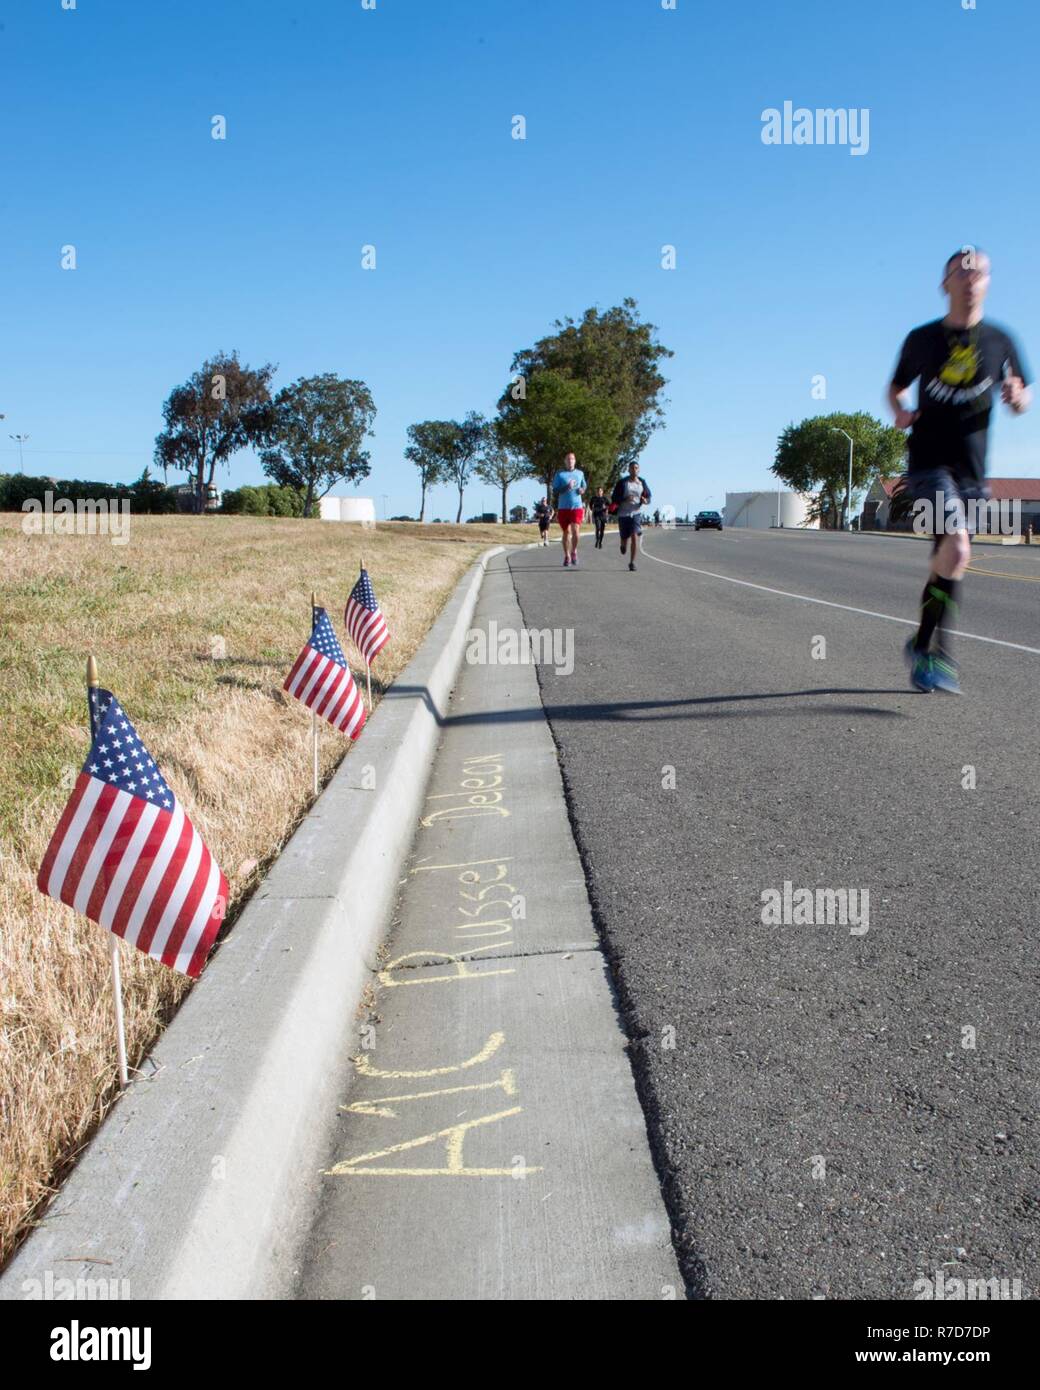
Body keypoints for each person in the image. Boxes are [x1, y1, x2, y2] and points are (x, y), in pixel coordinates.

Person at [888, 247, 1031, 693]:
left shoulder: (1001, 341)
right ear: (945, 283)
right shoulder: (921, 339)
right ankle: (940, 658)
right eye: (961, 271)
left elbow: (1023, 397)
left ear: (987, 282)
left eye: (979, 272)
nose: (970, 278)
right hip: (928, 464)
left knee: (947, 563)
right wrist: (900, 410)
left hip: (972, 473)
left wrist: (1016, 397)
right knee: (960, 549)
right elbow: (895, 388)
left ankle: (921, 644)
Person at [611, 461, 652, 572]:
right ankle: (623, 545)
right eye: (632, 468)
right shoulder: (623, 483)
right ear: (628, 470)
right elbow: (614, 498)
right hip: (623, 514)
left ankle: (632, 562)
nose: (634, 470)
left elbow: (649, 497)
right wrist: (624, 499)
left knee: (634, 536)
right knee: (624, 538)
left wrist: (645, 500)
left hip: (636, 513)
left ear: (638, 470)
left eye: (636, 468)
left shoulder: (642, 483)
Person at [551, 451, 587, 568]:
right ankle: (567, 555)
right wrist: (567, 487)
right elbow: (555, 491)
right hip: (563, 508)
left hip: (577, 506)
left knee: (576, 530)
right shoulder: (560, 474)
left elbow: (584, 486)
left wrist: (582, 490)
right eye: (568, 459)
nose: (570, 461)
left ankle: (574, 551)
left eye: (572, 459)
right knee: (566, 532)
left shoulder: (580, 473)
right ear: (565, 461)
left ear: (575, 461)